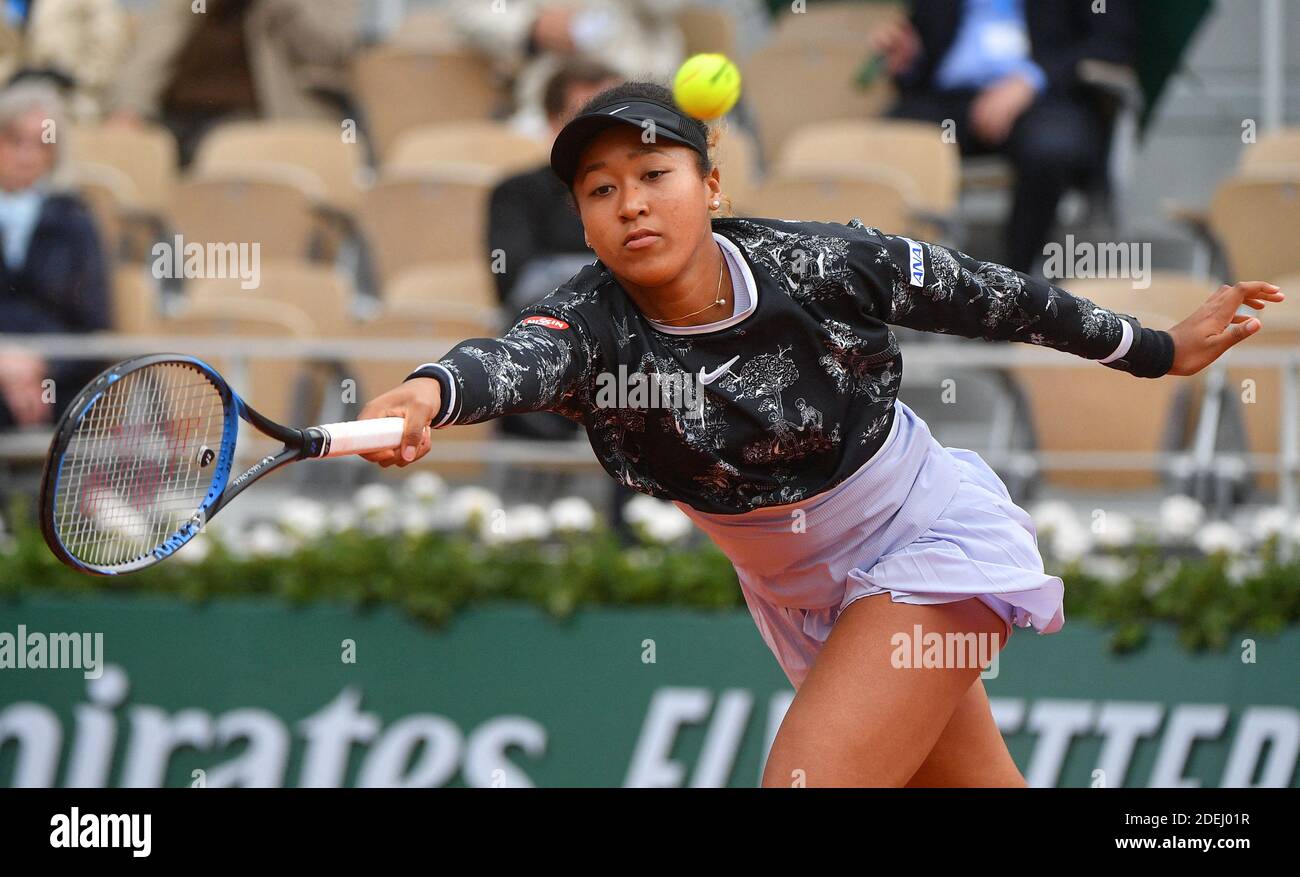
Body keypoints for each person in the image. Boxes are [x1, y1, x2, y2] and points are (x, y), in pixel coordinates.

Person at [353, 81, 1283, 786]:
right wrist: (431, 393)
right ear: (585, 223)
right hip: (797, 593)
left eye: (654, 175)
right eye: (601, 190)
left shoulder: (820, 263)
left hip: (921, 542)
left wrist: (1158, 349)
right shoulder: (588, 325)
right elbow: (512, 360)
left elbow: (996, 297)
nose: (630, 202)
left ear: (710, 185)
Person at [875, 0, 1138, 274]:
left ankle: (1017, 279)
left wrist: (1032, 79)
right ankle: (910, 274)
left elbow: (1112, 44)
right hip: (949, 101)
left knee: (1050, 148)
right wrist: (909, 61)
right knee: (890, 144)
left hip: (1046, 98)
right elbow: (922, 61)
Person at [108, 0, 359, 165]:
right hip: (176, 117)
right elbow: (153, 47)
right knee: (121, 157)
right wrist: (130, 109)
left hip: (260, 119)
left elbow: (331, 49)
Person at [0, 81, 109, 430]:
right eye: (15, 141)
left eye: (41, 143)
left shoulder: (76, 220)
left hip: (59, 383)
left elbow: (93, 325)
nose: (27, 155)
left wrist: (39, 365)